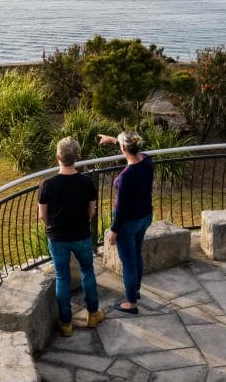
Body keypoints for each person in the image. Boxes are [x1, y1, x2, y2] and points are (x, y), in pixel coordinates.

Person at [37, 137, 104, 336]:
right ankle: (93, 314)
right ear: (77, 157)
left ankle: (66, 324)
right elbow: (91, 211)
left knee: (62, 277)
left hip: (58, 238)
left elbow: (42, 216)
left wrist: (53, 227)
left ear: (57, 157)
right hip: (81, 235)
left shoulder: (47, 185)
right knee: (87, 271)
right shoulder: (86, 183)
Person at [99, 130, 153, 314]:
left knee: (128, 262)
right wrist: (115, 140)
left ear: (123, 149)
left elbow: (121, 209)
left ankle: (131, 302)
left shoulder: (126, 177)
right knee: (136, 254)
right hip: (145, 217)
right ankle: (135, 290)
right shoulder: (147, 161)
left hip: (128, 224)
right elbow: (133, 151)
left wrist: (114, 230)